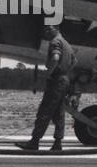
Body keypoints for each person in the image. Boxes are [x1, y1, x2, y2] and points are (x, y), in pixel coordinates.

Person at [17, 24, 75, 152]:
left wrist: (49, 72)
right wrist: (64, 72)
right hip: (64, 79)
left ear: (56, 29)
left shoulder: (55, 42)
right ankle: (57, 143)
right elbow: (74, 61)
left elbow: (55, 57)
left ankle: (34, 142)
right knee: (59, 112)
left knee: (45, 110)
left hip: (56, 81)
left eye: (49, 29)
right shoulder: (67, 44)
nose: (46, 32)